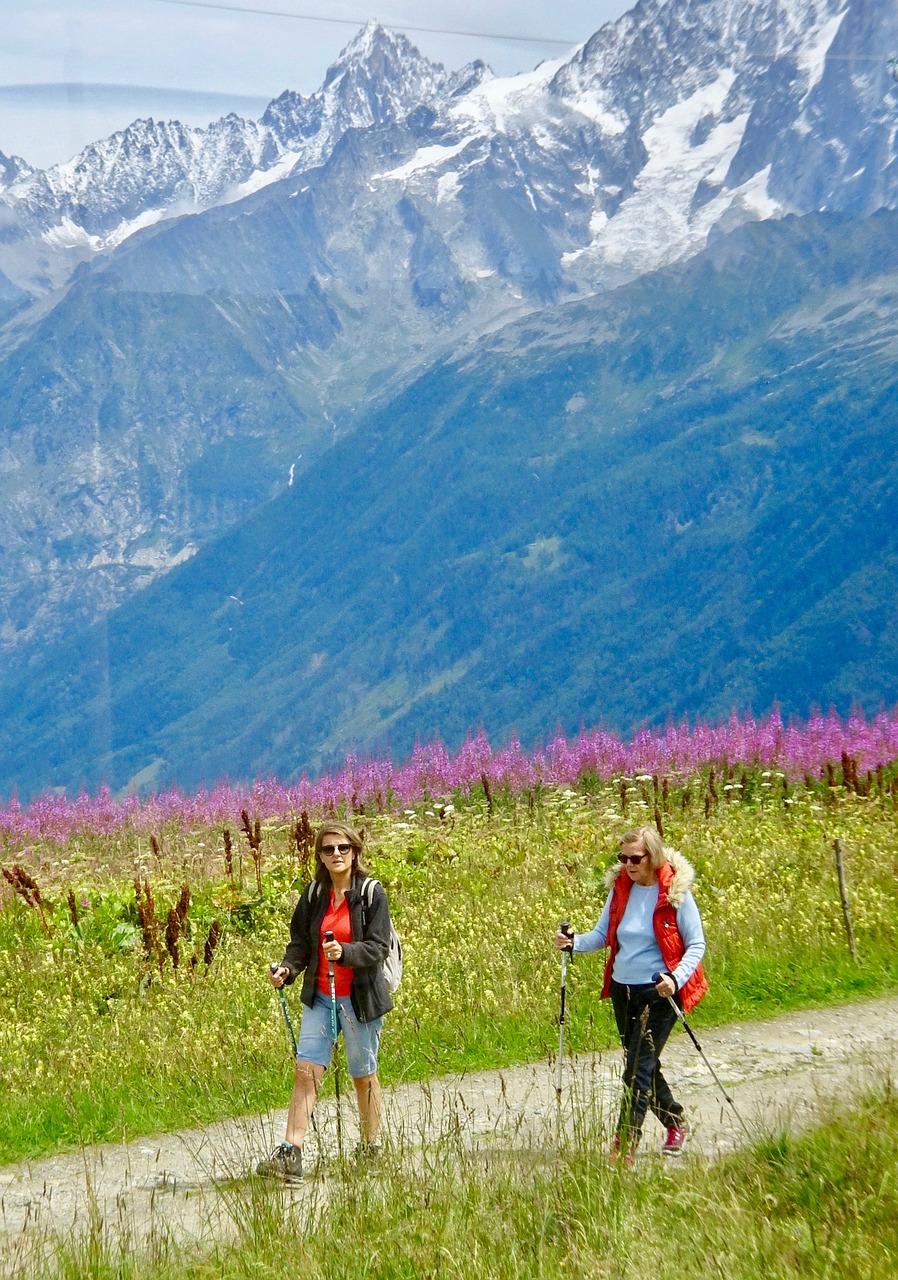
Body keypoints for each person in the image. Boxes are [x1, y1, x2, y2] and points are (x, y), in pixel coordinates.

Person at [554, 824, 707, 1165]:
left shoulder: (675, 892)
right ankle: (675, 1122)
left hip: (659, 993)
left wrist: (676, 978)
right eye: (622, 858)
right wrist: (573, 943)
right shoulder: (622, 888)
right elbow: (602, 935)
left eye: (635, 858)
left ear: (653, 857)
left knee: (637, 1069)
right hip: (623, 991)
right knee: (643, 1066)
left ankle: (625, 1143)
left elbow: (696, 945)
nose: (628, 865)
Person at [257, 822, 393, 1181]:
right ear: (319, 855)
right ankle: (291, 1153)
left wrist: (344, 952)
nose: (336, 854)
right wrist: (287, 969)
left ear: (355, 852)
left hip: (360, 999)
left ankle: (371, 1147)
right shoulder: (315, 893)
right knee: (306, 1071)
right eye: (328, 849)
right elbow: (301, 943)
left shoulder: (372, 893)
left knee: (362, 1074)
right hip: (320, 996)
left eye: (343, 848)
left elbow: (379, 947)